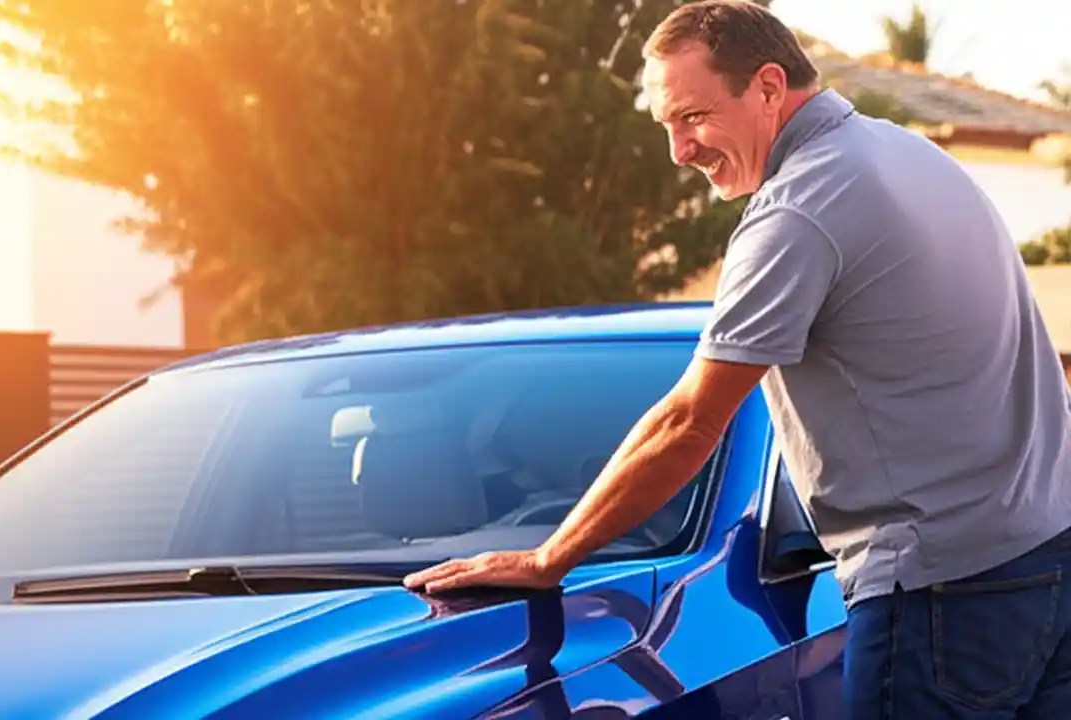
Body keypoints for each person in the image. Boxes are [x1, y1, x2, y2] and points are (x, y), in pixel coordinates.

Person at [402, 1, 1071, 717]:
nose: (678, 152)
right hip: (1046, 564)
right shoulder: (908, 155)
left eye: (692, 117)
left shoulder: (801, 208)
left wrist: (549, 559)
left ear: (768, 87)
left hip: (942, 596)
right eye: (666, 126)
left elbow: (689, 423)